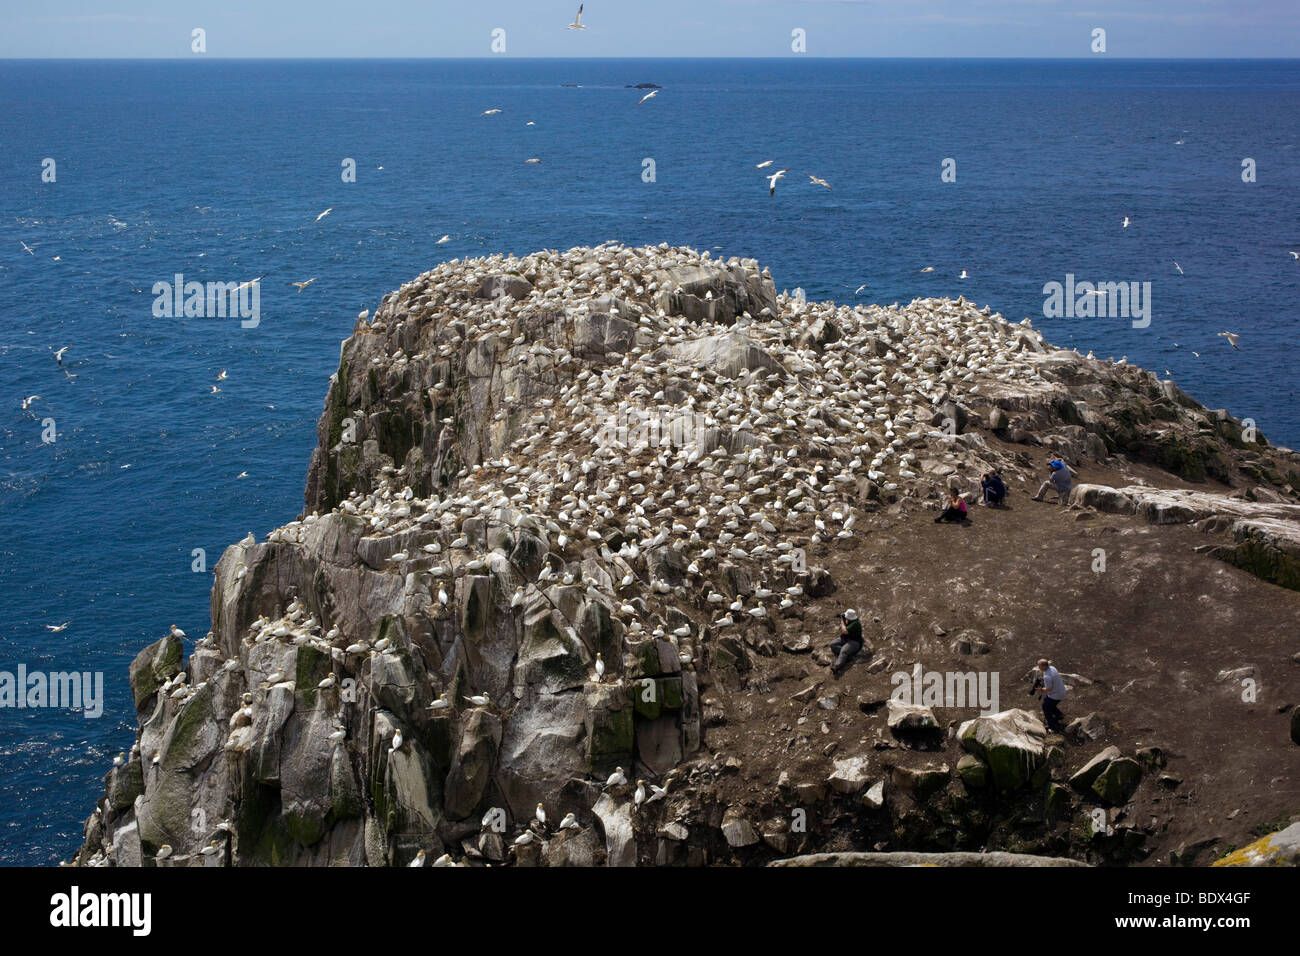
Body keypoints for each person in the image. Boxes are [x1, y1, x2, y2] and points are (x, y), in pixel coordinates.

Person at [1036, 658, 1068, 732]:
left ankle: (1052, 725)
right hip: (1061, 690)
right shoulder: (1052, 668)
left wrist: (1041, 689)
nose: (1038, 668)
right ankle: (1059, 715)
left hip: (1056, 695)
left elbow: (1049, 688)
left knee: (1045, 707)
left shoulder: (1047, 676)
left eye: (1039, 666)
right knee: (1048, 702)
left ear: (1044, 666)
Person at [829, 609, 863, 676]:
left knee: (843, 651)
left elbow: (845, 631)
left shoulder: (856, 623)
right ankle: (847, 656)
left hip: (855, 641)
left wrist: (842, 621)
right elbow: (842, 615)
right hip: (846, 638)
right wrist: (841, 616)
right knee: (832, 644)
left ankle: (836, 667)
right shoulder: (850, 619)